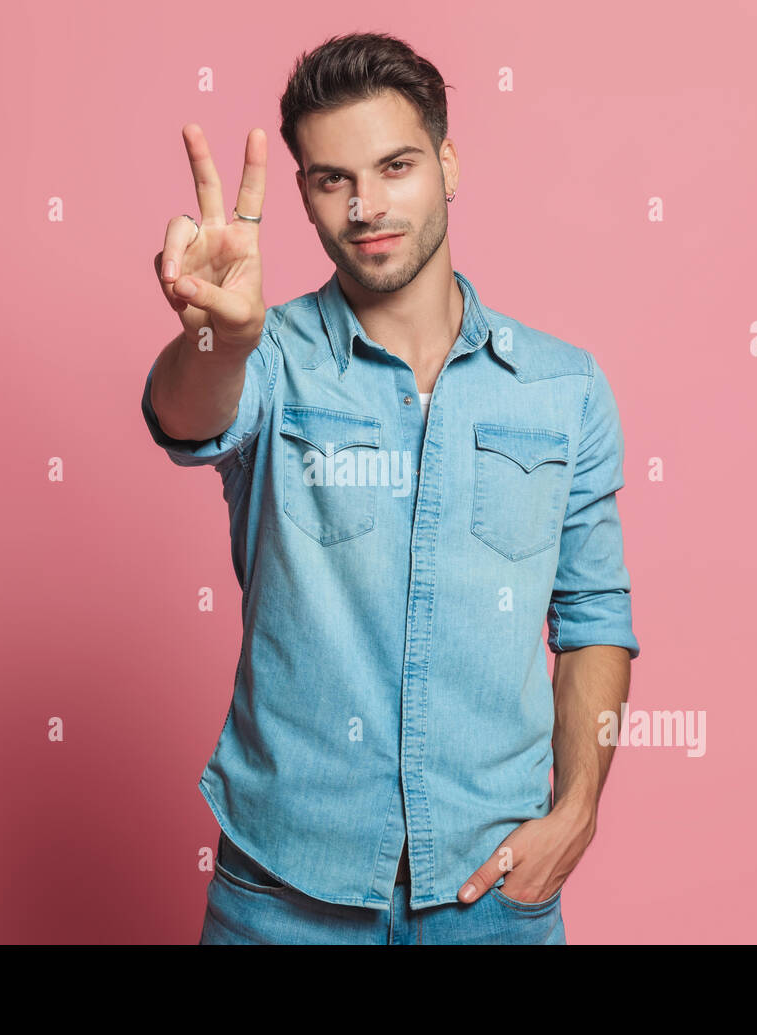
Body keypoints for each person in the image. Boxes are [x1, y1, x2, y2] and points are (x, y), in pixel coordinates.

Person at [143, 31, 640, 945]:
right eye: (334, 179)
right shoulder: (271, 359)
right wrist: (217, 334)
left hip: (492, 899)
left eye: (396, 165)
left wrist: (577, 811)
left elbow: (595, 616)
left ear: (448, 164)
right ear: (303, 195)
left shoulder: (563, 388)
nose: (366, 205)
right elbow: (187, 419)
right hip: (283, 891)